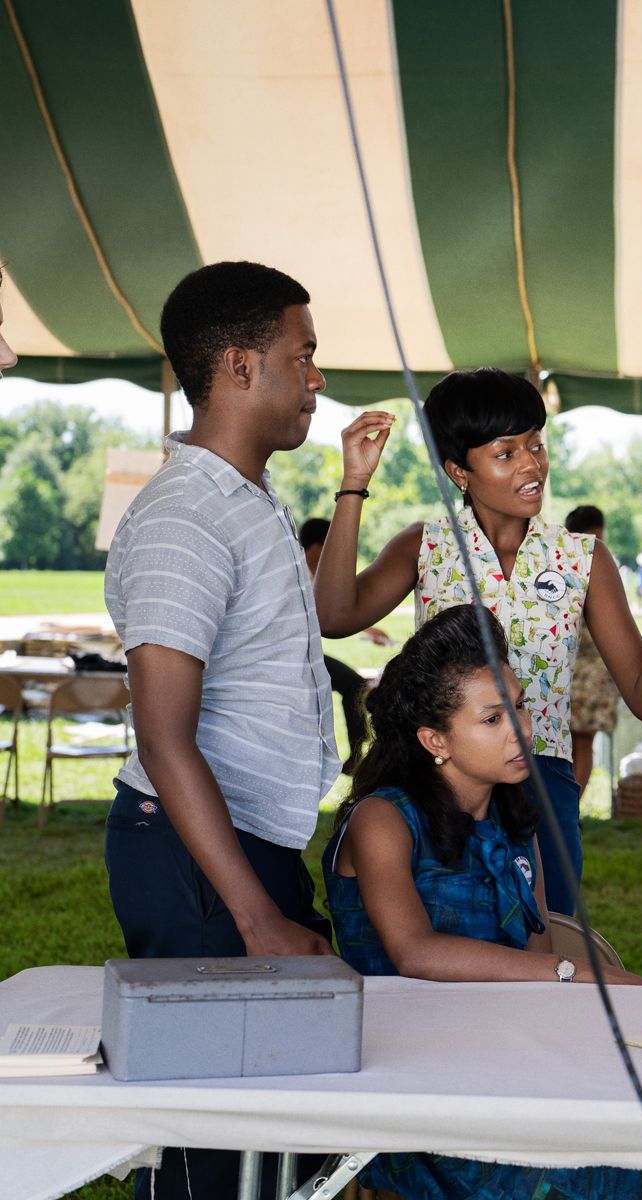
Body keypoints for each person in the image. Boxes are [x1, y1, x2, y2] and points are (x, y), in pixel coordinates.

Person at [324, 605, 642, 1200]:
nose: (520, 728)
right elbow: (414, 952)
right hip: (415, 1092)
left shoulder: (517, 821)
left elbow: (534, 968)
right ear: (435, 740)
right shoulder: (383, 819)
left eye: (518, 706)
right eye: (492, 718)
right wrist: (577, 973)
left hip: (511, 1068)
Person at [102, 261, 340, 1199]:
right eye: (303, 355)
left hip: (239, 842)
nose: (317, 377)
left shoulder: (245, 498)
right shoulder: (186, 515)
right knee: (209, 1141)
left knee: (265, 1135)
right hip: (197, 857)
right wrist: (254, 916)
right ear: (239, 365)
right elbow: (164, 737)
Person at [312, 368, 642, 916]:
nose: (531, 465)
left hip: (542, 779)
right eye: (505, 453)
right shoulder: (425, 546)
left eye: (536, 445)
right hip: (442, 781)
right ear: (459, 471)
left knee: (549, 933)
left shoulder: (582, 558)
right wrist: (354, 483)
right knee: (449, 932)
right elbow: (334, 616)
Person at [299, 516, 393, 772]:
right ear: (317, 550)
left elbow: (332, 611)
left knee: (354, 685)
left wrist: (369, 630)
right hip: (294, 658)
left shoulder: (308, 574)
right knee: (354, 685)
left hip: (305, 655)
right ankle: (355, 755)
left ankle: (356, 755)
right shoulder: (298, 575)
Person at [563, 505, 622, 796]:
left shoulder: (560, 567)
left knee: (565, 749)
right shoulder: (595, 567)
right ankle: (571, 811)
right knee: (583, 745)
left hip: (564, 675)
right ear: (597, 531)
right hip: (592, 676)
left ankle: (566, 810)